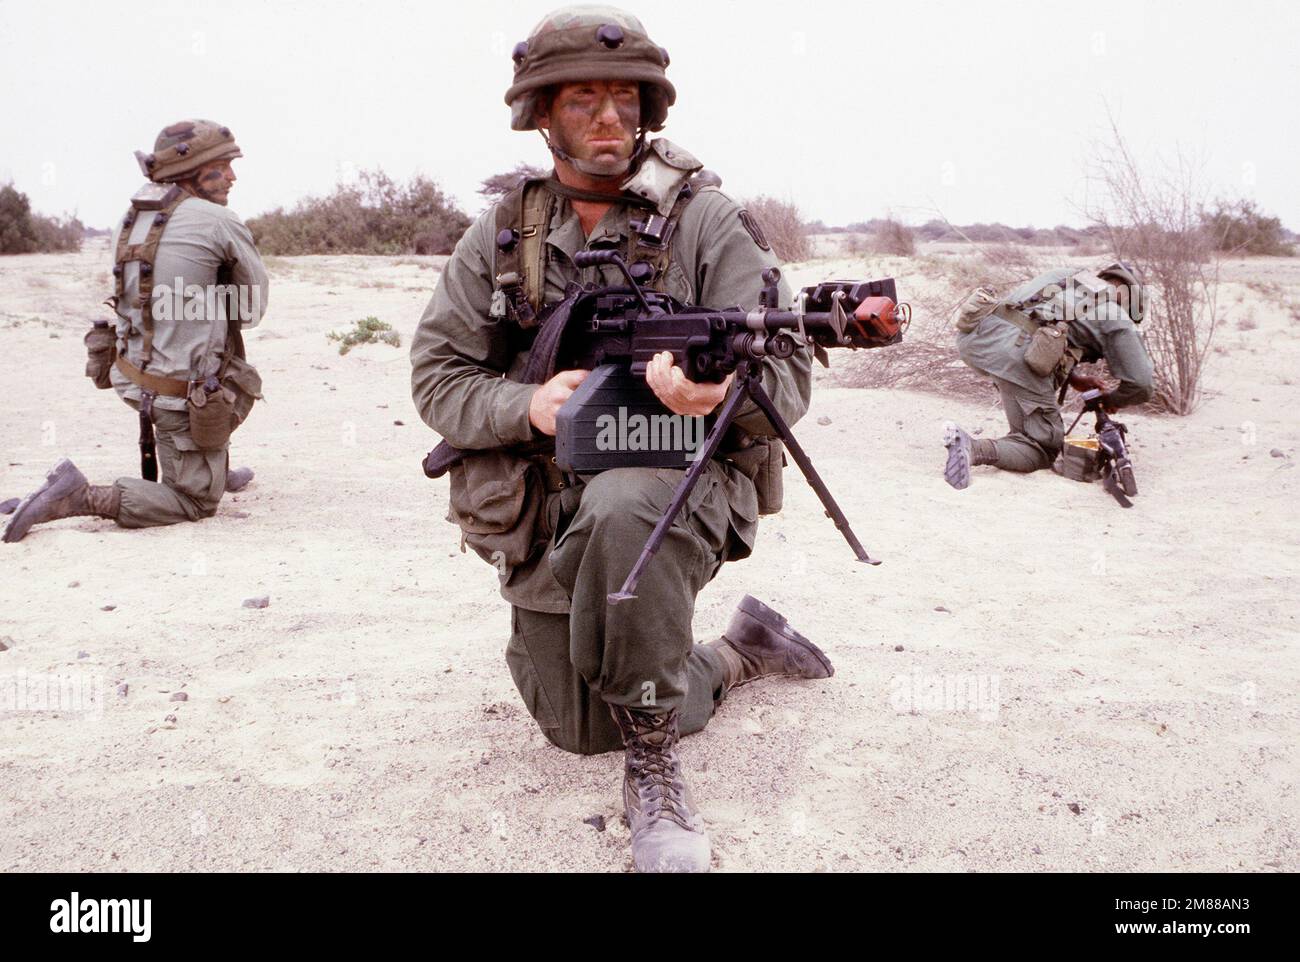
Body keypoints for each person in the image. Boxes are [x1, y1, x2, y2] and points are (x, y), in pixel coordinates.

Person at [410, 5, 833, 872]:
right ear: (542, 116)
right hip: (544, 508)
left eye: (624, 100)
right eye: (582, 101)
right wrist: (526, 406)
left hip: (667, 495)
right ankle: (741, 650)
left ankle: (655, 764)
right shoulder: (502, 234)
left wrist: (719, 395)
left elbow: (788, 375)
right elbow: (437, 377)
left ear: (649, 111)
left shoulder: (707, 222)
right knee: (573, 731)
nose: (608, 119)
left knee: (626, 505)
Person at [3, 119, 268, 543]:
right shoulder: (219, 221)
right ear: (193, 170)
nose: (233, 176)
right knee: (198, 498)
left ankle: (207, 464)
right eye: (222, 166)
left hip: (130, 379)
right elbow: (252, 310)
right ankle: (79, 495)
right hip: (176, 398)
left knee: (204, 354)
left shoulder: (131, 217)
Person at [943, 262, 1154, 488]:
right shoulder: (1114, 314)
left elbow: (1037, 321)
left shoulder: (1066, 276)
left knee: (1023, 389)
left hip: (976, 340)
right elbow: (1141, 384)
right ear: (1132, 298)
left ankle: (1024, 420)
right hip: (1015, 359)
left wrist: (1075, 379)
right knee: (1042, 448)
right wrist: (1110, 400)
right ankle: (972, 447)